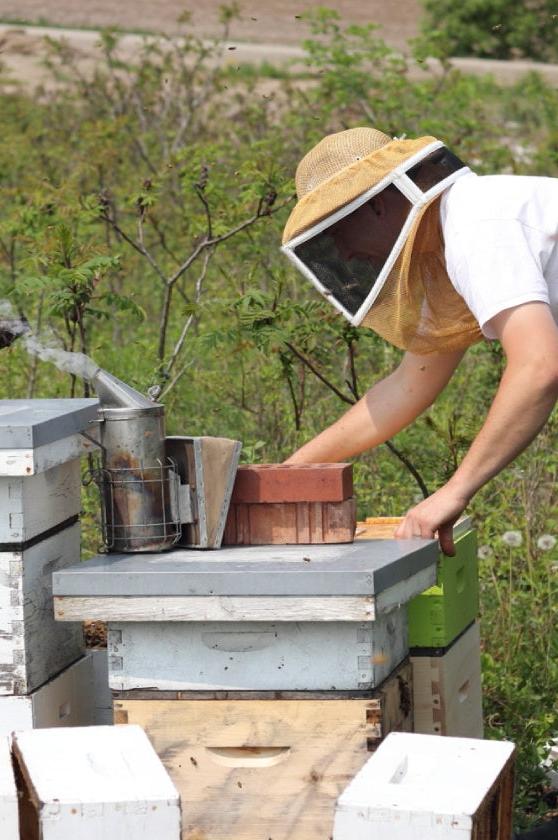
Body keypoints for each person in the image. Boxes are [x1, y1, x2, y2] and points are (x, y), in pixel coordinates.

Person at [281, 127, 558, 839]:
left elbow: (538, 367)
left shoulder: (478, 224)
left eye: (338, 233)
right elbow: (407, 384)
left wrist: (453, 490)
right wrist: (288, 476)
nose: (340, 255)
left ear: (381, 205)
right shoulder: (449, 243)